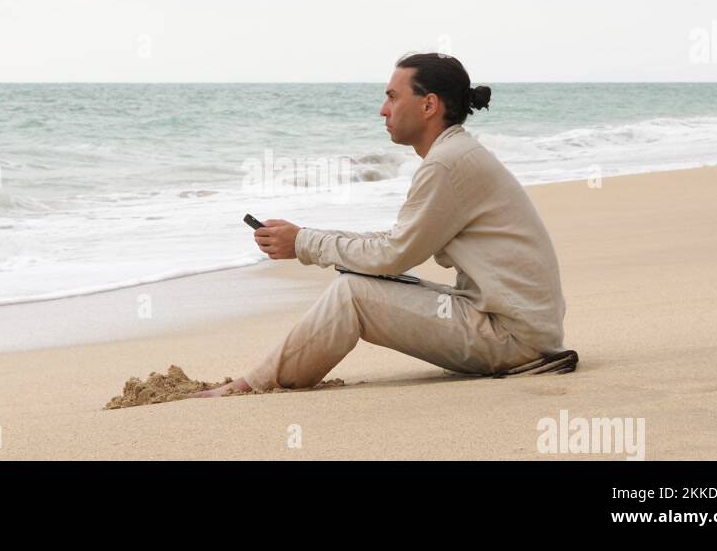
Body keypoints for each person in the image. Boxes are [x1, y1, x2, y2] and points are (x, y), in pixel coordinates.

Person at [190, 52, 569, 398]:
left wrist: (304, 243)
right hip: (519, 329)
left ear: (429, 105)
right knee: (362, 284)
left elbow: (393, 254)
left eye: (392, 97)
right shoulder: (456, 154)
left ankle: (251, 387)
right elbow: (395, 244)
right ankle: (258, 379)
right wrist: (305, 238)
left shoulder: (446, 164)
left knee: (354, 294)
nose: (382, 111)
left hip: (513, 340)